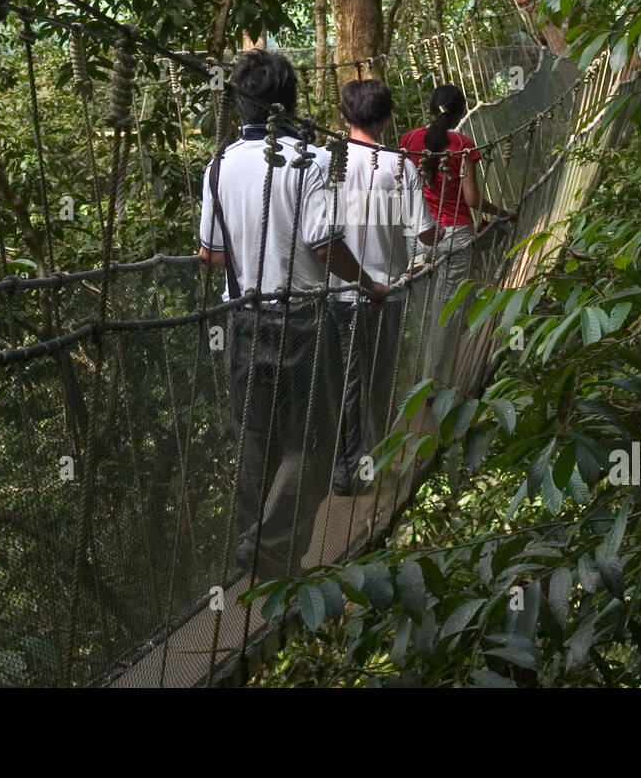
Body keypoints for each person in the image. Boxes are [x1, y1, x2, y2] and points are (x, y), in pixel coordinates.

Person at [198, 50, 387, 582]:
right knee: (315, 441)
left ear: (241, 102)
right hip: (304, 317)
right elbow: (324, 244)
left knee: (256, 439)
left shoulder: (218, 165)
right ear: (292, 100)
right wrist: (369, 283)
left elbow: (211, 253)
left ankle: (247, 558)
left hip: (244, 318)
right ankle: (272, 552)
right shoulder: (312, 160)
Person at [328, 79, 440, 496]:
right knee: (379, 383)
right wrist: (441, 233)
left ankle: (352, 467)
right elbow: (424, 234)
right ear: (387, 119)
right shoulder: (399, 166)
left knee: (348, 381)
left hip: (337, 294)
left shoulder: (326, 162)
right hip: (385, 294)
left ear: (344, 118)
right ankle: (368, 463)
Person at [400, 84, 512, 384]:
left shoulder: (410, 140)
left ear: (429, 108)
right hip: (456, 236)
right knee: (445, 312)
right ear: (461, 112)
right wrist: (501, 213)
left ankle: (413, 379)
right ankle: (433, 382)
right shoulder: (464, 144)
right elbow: (473, 200)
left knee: (420, 308)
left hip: (419, 234)